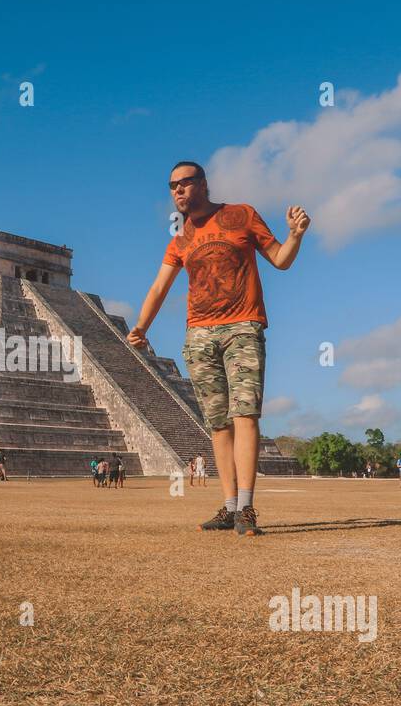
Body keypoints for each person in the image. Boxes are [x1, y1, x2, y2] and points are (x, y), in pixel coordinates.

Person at [128, 161, 308, 536]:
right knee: (218, 423)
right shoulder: (179, 237)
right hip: (199, 334)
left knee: (245, 414)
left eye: (185, 183)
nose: (178, 190)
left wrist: (295, 235)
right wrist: (141, 327)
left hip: (243, 326)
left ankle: (246, 508)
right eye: (172, 186)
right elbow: (160, 286)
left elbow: (280, 260)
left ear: (203, 184)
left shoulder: (241, 215)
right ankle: (228, 507)